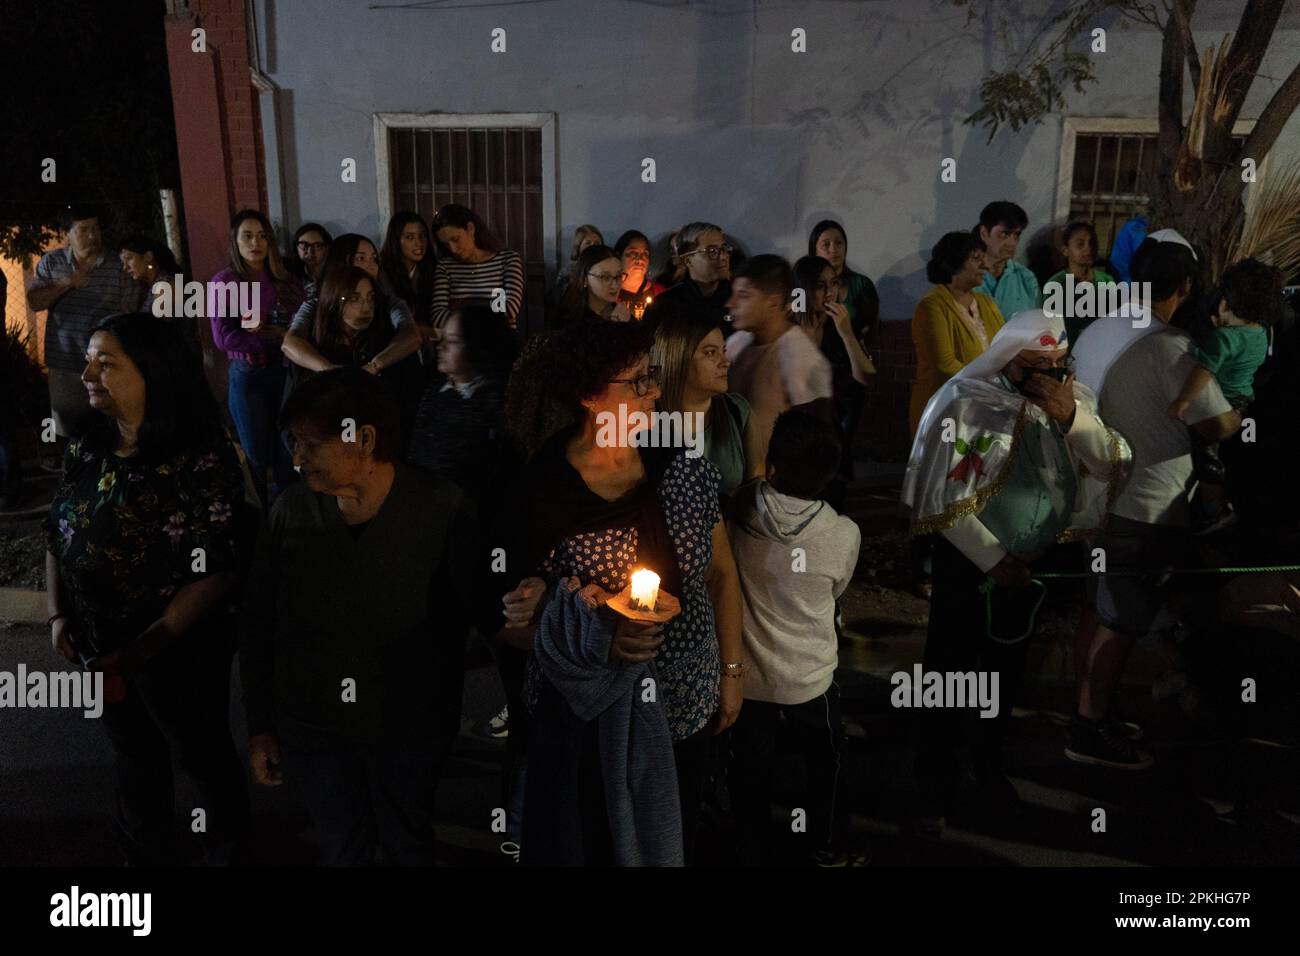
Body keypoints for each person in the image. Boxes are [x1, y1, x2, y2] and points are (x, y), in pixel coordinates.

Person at [495, 318, 744, 865]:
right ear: (588, 395)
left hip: (684, 705)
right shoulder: (543, 492)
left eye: (651, 375)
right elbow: (508, 626)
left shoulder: (678, 460)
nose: (654, 390)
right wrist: (591, 637)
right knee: (596, 842)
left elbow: (721, 573)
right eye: (636, 382)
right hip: (591, 719)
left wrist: (730, 671)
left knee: (672, 833)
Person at [240, 368, 483, 865]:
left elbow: (476, 612)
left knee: (406, 841)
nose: (297, 457)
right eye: (292, 442)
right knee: (341, 845)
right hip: (315, 726)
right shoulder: (292, 510)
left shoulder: (440, 509)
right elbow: (258, 620)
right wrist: (261, 725)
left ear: (364, 438)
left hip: (408, 726)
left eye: (311, 443)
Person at [902, 308, 1131, 831]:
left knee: (1003, 675)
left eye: (1060, 364)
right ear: (1009, 362)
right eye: (1037, 367)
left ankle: (987, 766)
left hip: (1032, 569)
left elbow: (1113, 462)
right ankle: (934, 780)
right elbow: (941, 494)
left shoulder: (1075, 402)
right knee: (952, 671)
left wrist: (1070, 418)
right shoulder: (968, 402)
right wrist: (994, 558)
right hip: (973, 566)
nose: (1053, 376)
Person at [44, 312, 254, 865]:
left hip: (175, 649)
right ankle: (145, 855)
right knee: (132, 752)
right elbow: (57, 530)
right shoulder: (88, 443)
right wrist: (58, 616)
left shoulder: (201, 455)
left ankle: (229, 847)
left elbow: (218, 565)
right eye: (89, 358)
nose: (87, 371)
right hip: (100, 645)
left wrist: (144, 648)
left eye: (106, 361)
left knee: (199, 752)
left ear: (154, 371)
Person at [1071, 231, 1241, 769]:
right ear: (1187, 285)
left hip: (1090, 496)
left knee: (1099, 613)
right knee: (1122, 621)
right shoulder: (1168, 346)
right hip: (1142, 502)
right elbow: (1215, 423)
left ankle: (1093, 708)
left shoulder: (1100, 328)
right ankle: (1089, 728)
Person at [726, 409, 862, 866]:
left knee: (749, 767)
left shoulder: (738, 514)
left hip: (748, 678)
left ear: (773, 463)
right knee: (827, 762)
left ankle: (750, 848)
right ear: (831, 473)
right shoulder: (842, 534)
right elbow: (837, 589)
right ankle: (828, 844)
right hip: (810, 678)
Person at [1168, 257, 1279, 531]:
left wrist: (1182, 401)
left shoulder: (1224, 339)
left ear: (1227, 302)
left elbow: (1203, 371)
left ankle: (1213, 511)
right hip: (1242, 400)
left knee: (1207, 459)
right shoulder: (1261, 331)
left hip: (1220, 405)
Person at [207, 209, 305, 508]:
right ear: (235, 242)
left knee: (287, 451)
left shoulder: (285, 280)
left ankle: (288, 518)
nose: (255, 242)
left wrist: (278, 335)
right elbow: (224, 337)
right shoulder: (225, 282)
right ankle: (257, 521)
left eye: (262, 236)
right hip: (249, 374)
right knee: (256, 454)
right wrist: (276, 337)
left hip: (286, 371)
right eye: (247, 236)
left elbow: (300, 326)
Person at [27, 205, 141, 439]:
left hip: (106, 364)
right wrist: (67, 283)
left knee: (112, 428)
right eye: (84, 230)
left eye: (96, 228)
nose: (92, 236)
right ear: (65, 235)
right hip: (65, 361)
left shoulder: (117, 264)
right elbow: (35, 301)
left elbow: (130, 311)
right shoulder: (51, 262)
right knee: (70, 432)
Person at [725, 255, 834, 481]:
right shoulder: (736, 345)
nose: (731, 303)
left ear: (773, 302)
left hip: (771, 489)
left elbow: (813, 443)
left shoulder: (799, 356)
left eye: (743, 295)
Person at [406, 302, 518, 509]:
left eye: (453, 341)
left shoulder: (497, 400)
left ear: (477, 346)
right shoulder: (435, 389)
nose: (441, 347)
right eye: (442, 339)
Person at [793, 254, 877, 510]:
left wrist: (846, 332)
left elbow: (867, 376)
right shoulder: (787, 328)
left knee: (830, 506)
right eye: (820, 286)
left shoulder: (839, 327)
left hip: (829, 431)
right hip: (792, 433)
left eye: (834, 283)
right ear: (803, 289)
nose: (830, 292)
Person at [651, 312, 753, 503]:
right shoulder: (648, 421)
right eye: (710, 353)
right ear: (677, 358)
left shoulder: (737, 409)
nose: (725, 363)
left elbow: (756, 483)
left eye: (723, 351)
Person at [909, 231, 1004, 435]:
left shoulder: (987, 304)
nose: (985, 265)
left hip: (985, 409)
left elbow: (1004, 347)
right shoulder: (931, 306)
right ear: (954, 262)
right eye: (976, 259)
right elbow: (945, 364)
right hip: (945, 410)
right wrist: (990, 389)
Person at [431, 204, 525, 330]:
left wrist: (460, 308)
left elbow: (510, 307)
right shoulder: (445, 267)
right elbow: (438, 317)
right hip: (463, 345)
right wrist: (491, 310)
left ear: (470, 229)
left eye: (456, 239)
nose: (453, 249)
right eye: (446, 244)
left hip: (500, 342)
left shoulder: (507, 260)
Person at [643, 221, 733, 331]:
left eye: (724, 249)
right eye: (712, 251)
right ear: (688, 260)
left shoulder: (737, 300)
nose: (723, 256)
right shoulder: (665, 306)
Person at [808, 219, 881, 350]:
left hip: (852, 355)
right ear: (814, 250)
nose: (834, 249)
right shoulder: (802, 284)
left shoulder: (862, 284)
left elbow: (870, 329)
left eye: (839, 243)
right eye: (826, 245)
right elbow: (797, 316)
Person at [1040, 220, 1116, 346]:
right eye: (1080, 244)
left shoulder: (1107, 281)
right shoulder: (1057, 284)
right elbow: (1050, 327)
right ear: (1065, 250)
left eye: (1091, 243)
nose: (1088, 249)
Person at [976, 201, 1040, 320]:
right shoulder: (964, 275)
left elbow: (1036, 326)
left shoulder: (1026, 278)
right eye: (1004, 234)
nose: (1012, 243)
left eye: (1016, 235)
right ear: (984, 233)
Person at [379, 212, 436, 330]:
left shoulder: (431, 268)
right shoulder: (383, 272)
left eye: (423, 236)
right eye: (410, 237)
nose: (419, 243)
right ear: (396, 240)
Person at [556, 244, 632, 325]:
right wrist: (614, 325)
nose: (615, 285)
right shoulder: (570, 318)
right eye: (605, 277)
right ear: (585, 279)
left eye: (619, 276)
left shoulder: (622, 313)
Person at [614, 229, 665, 320]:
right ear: (619, 256)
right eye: (633, 253)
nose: (640, 259)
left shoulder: (660, 293)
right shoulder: (610, 292)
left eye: (645, 254)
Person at [287, 223, 332, 289]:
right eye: (304, 245)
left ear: (327, 248)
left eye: (317, 246)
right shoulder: (290, 275)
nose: (310, 251)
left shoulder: (334, 276)